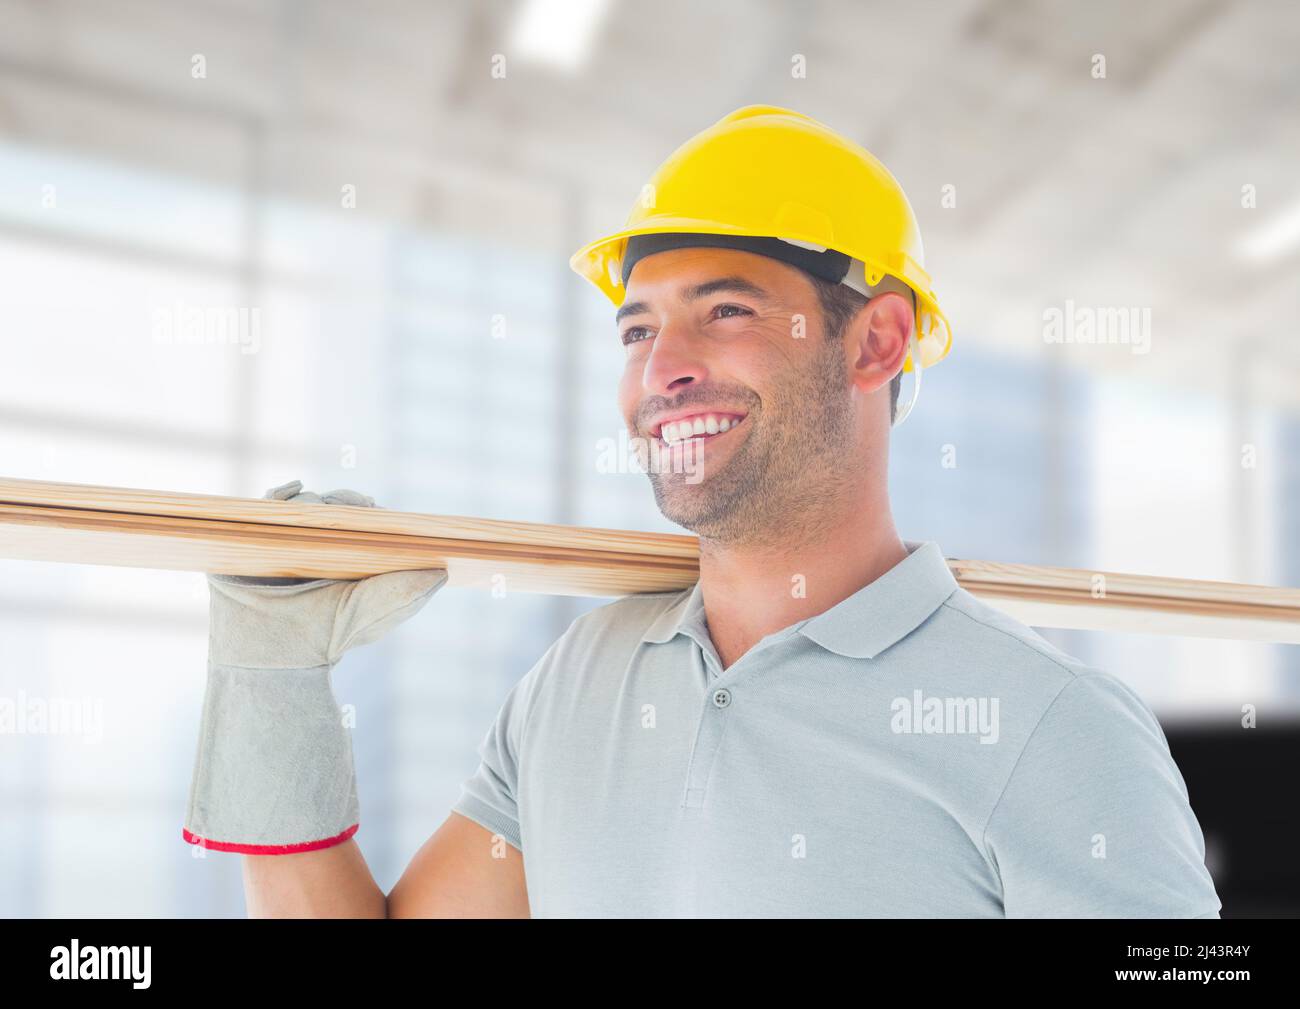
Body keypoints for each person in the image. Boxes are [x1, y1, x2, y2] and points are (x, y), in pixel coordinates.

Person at [183, 106, 1221, 918]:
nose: (662, 370)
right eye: (636, 331)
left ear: (874, 343)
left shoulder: (1055, 729)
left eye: (724, 311)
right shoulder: (577, 682)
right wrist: (272, 684)